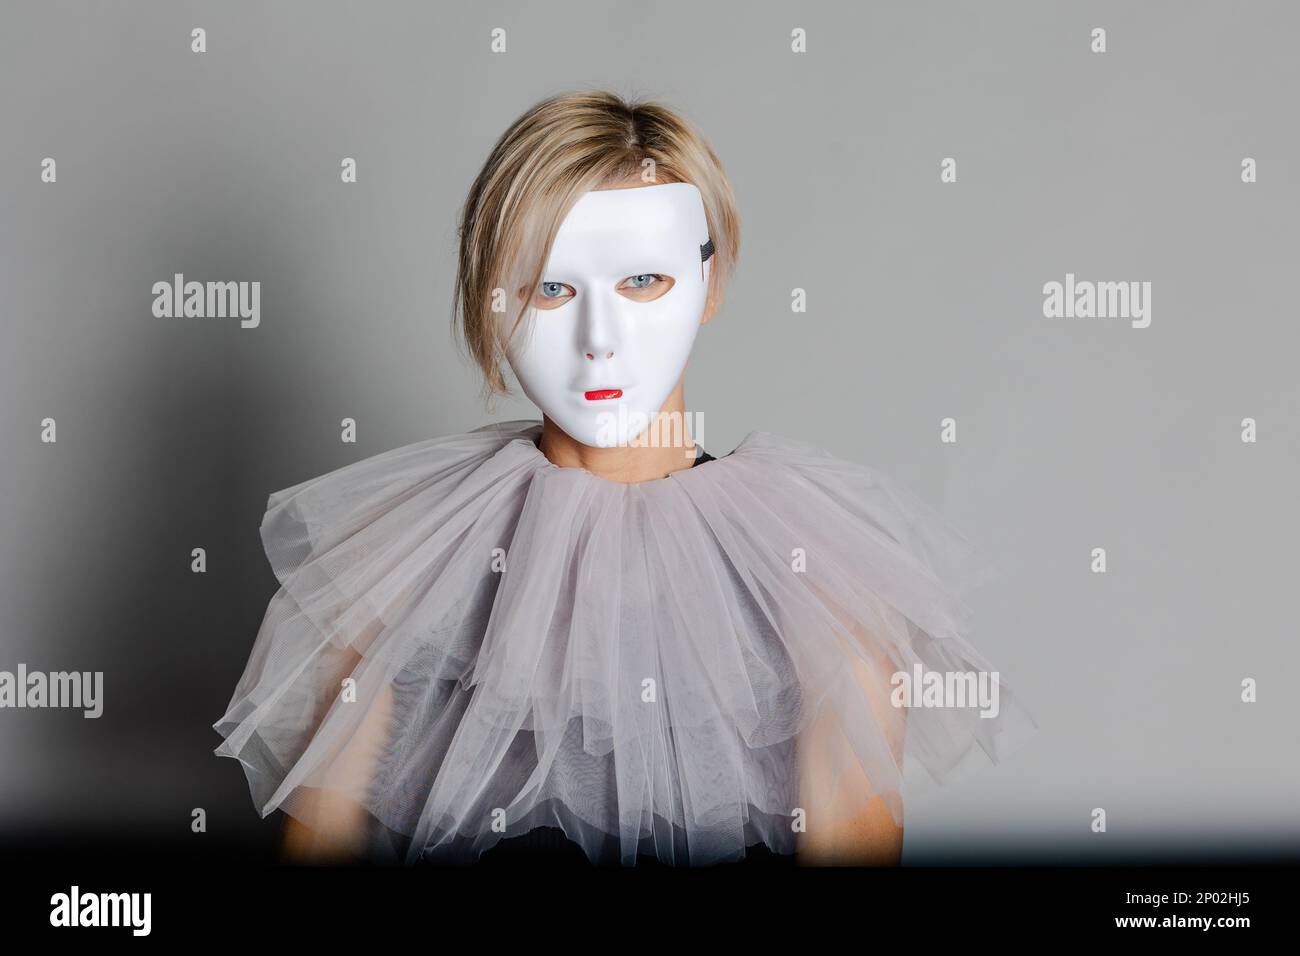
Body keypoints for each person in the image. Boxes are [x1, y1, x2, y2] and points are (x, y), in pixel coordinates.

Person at [214, 90, 1035, 866]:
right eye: (550, 287)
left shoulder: (818, 587)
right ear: (491, 299)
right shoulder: (395, 570)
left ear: (711, 282)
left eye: (643, 279)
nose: (598, 336)